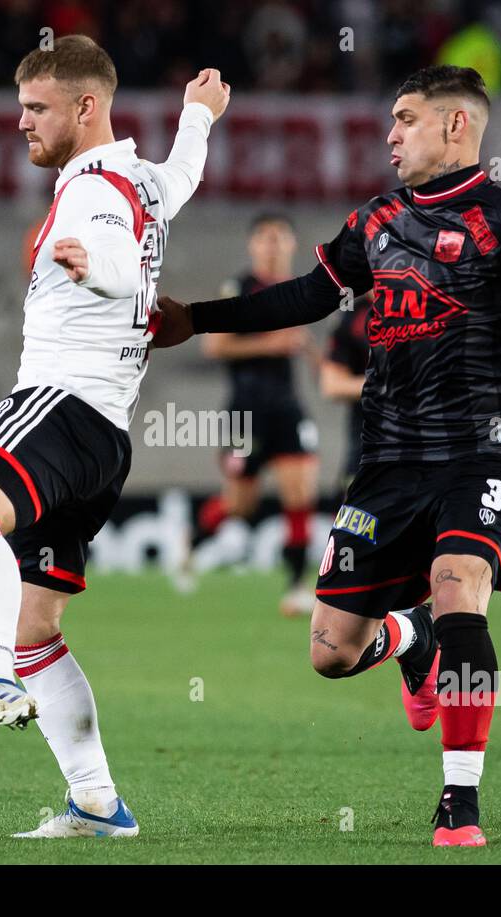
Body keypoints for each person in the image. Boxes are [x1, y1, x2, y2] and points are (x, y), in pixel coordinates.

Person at [151, 65, 501, 847]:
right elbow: (308, 294)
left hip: (483, 443)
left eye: (405, 119)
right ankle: (410, 640)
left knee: (458, 586)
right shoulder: (375, 221)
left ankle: (460, 802)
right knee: (331, 653)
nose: (390, 134)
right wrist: (195, 318)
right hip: (387, 458)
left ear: (455, 127)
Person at [0, 35, 229, 838]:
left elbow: (120, 261)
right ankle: (98, 804)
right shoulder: (138, 178)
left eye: (37, 109)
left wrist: (92, 267)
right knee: (38, 627)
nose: (22, 124)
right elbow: (181, 179)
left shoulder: (93, 188)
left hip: (59, 403)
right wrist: (198, 116)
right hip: (105, 440)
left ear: (86, 107)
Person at [199, 212, 320, 616]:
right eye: (265, 238)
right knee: (240, 504)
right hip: (246, 412)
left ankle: (297, 586)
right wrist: (271, 344)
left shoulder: (299, 291)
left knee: (300, 493)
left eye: (279, 238)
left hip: (287, 408)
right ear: (253, 245)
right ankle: (190, 541)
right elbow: (214, 348)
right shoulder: (239, 289)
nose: (271, 246)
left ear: (292, 246)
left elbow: (298, 344)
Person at [320, 297, 370, 490]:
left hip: (424, 438)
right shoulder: (351, 316)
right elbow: (331, 385)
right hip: (368, 437)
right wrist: (383, 386)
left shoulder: (426, 304)